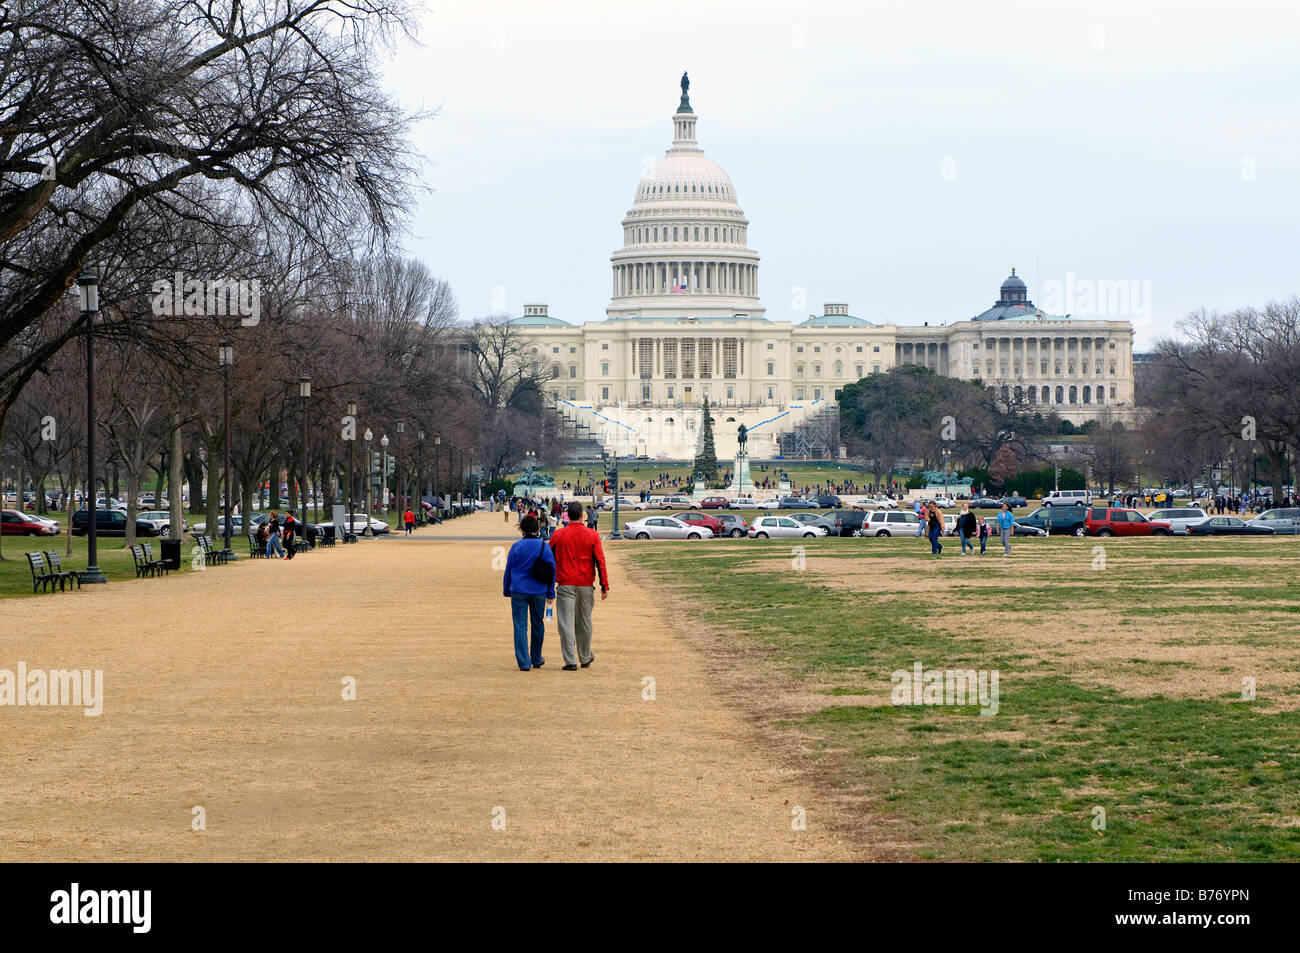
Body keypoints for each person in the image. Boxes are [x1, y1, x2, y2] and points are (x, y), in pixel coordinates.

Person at [549, 501, 610, 670]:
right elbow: (600, 561)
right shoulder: (592, 535)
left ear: (567, 515)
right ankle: (584, 656)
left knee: (566, 622)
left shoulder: (558, 535)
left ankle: (570, 660)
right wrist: (604, 585)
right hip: (585, 582)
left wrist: (549, 582)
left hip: (565, 582)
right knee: (584, 621)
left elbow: (549, 559)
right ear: (582, 516)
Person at [502, 514, 555, 671]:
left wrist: (506, 589)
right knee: (538, 624)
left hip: (519, 589)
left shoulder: (516, 547)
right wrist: (551, 593)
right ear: (537, 529)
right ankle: (536, 657)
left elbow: (509, 570)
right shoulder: (544, 547)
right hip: (539, 590)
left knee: (520, 626)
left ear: (523, 529)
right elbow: (551, 570)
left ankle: (524, 661)